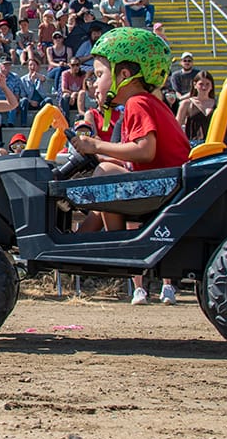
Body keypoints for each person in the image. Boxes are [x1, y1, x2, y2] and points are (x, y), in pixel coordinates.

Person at [68, 28, 189, 304]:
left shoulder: (137, 103)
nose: (94, 83)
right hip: (167, 183)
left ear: (123, 75)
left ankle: (119, 246)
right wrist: (103, 154)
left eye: (99, 75)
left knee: (105, 175)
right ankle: (78, 246)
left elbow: (145, 151)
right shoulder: (149, 102)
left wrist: (96, 146)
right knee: (104, 176)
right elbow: (140, 157)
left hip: (164, 188)